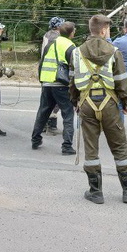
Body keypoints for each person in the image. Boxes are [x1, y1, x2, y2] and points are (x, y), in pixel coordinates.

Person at [71, 14, 127, 204]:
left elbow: (72, 81)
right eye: (108, 30)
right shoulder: (114, 51)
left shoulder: (77, 52)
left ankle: (95, 192)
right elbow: (121, 80)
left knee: (91, 148)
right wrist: (125, 103)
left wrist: (75, 102)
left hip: (86, 104)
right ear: (103, 31)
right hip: (110, 105)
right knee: (119, 147)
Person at [32, 21, 76, 155]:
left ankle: (35, 139)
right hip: (61, 84)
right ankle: (67, 146)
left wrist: (42, 80)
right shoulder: (71, 46)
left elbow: (42, 62)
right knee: (68, 114)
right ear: (71, 33)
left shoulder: (51, 43)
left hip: (47, 82)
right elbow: (74, 69)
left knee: (43, 111)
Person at [41, 17, 65, 135]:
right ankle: (51, 125)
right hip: (55, 73)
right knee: (55, 101)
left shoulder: (46, 35)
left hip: (45, 73)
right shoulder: (58, 38)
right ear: (58, 26)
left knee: (46, 101)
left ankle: (44, 125)